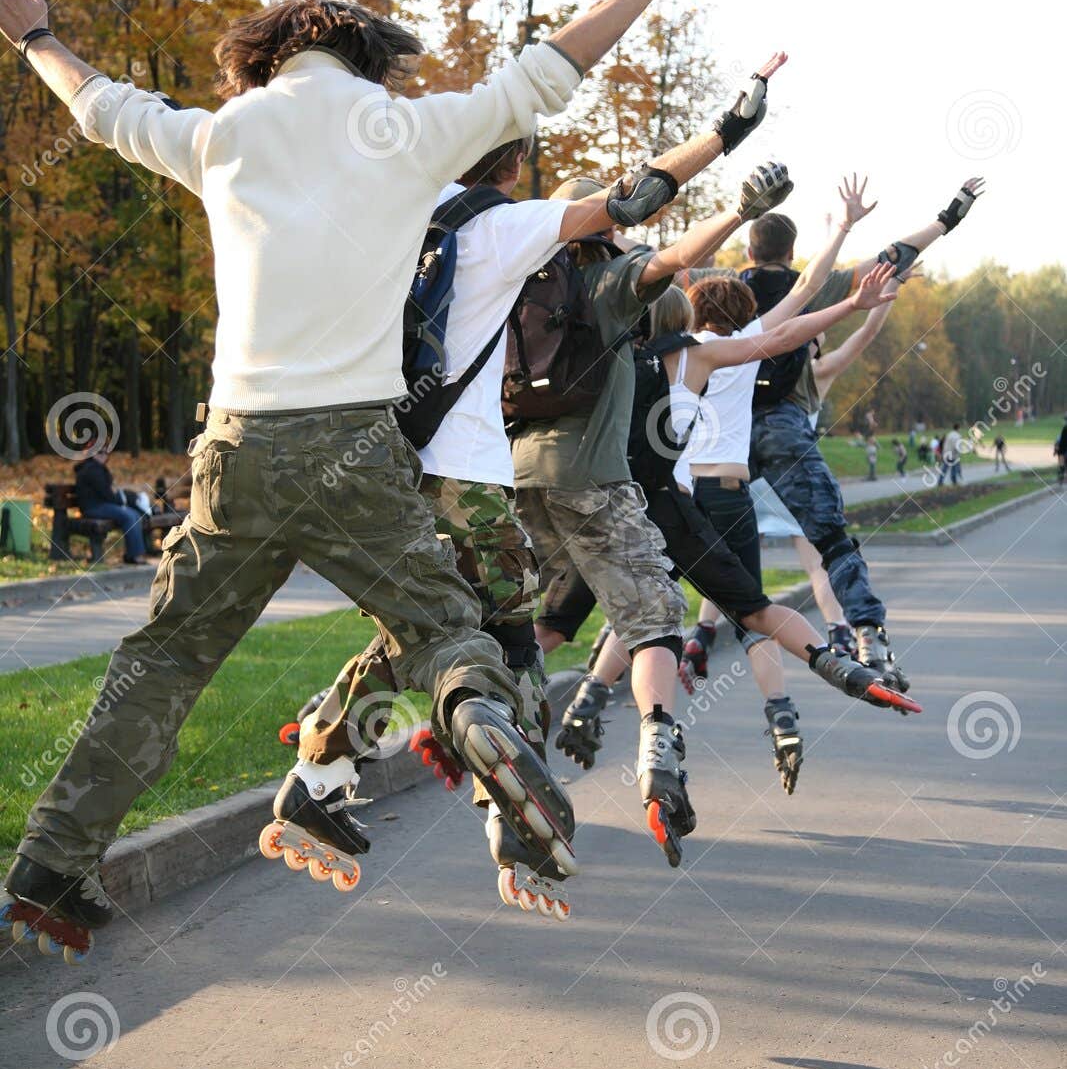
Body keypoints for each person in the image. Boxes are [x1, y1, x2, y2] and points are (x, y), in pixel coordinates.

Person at [0, 0, 697, 941]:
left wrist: (36, 33)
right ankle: (477, 725)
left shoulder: (221, 136)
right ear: (370, 60)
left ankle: (50, 867)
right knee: (443, 628)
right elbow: (543, 74)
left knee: (164, 658)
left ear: (262, 60)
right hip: (355, 452)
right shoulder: (407, 132)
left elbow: (97, 109)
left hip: (238, 445)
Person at [280, 56, 782, 916]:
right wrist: (732, 157)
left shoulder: (411, 216)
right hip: (476, 473)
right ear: (512, 167)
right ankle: (491, 812)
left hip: (390, 453)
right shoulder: (526, 240)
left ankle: (332, 772)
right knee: (509, 634)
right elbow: (651, 229)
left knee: (438, 629)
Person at [548, 184, 920, 799]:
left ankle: (589, 695)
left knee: (645, 608)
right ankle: (784, 714)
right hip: (721, 496)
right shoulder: (727, 355)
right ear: (741, 313)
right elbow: (799, 302)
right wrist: (848, 271)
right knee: (751, 613)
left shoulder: (637, 354)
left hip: (651, 498)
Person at [512, 164, 796, 864]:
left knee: (540, 621)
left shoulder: (523, 281)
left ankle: (502, 719)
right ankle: (669, 743)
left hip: (518, 477)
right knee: (662, 618)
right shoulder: (631, 312)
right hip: (638, 492)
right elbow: (766, 327)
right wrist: (740, 209)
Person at [743, 176, 985, 692]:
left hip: (719, 437)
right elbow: (889, 257)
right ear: (791, 254)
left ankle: (651, 652)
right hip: (782, 426)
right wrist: (947, 217)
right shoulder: (809, 286)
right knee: (831, 539)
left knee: (687, 542)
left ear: (748, 248)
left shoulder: (718, 289)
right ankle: (868, 633)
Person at [73, 439, 149, 565]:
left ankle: (132, 554)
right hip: (93, 507)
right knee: (129, 515)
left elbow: (108, 493)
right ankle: (135, 555)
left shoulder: (98, 468)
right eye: (99, 452)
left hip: (101, 505)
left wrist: (123, 500)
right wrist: (124, 500)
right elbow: (107, 494)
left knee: (133, 514)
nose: (103, 456)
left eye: (105, 453)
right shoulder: (92, 470)